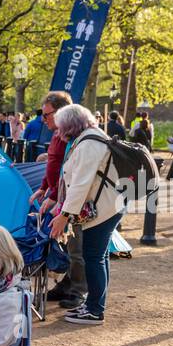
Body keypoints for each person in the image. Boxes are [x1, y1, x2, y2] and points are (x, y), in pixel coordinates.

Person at [49, 105, 127, 326]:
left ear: (70, 125)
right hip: (106, 207)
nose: (59, 131)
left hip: (103, 210)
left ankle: (95, 310)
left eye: (61, 127)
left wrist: (64, 215)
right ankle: (94, 304)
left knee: (93, 258)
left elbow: (81, 184)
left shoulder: (89, 143)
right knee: (98, 257)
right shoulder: (90, 139)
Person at [29, 91, 83, 309]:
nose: (43, 120)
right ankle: (67, 284)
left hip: (70, 198)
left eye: (46, 115)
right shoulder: (57, 133)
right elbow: (53, 163)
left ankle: (79, 292)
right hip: (59, 195)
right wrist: (44, 187)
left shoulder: (71, 134)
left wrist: (53, 196)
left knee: (77, 247)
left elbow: (66, 170)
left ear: (61, 112)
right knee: (69, 246)